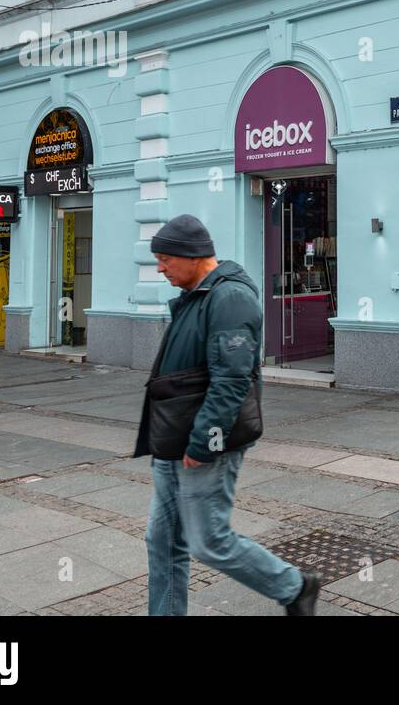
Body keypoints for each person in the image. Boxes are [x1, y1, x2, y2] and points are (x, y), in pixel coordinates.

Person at [135, 214, 320, 616]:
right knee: (163, 540)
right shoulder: (198, 294)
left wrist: (204, 442)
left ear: (193, 255)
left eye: (166, 258)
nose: (160, 267)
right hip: (174, 439)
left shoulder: (230, 298)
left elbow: (232, 379)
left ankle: (294, 586)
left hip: (202, 443)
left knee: (209, 541)